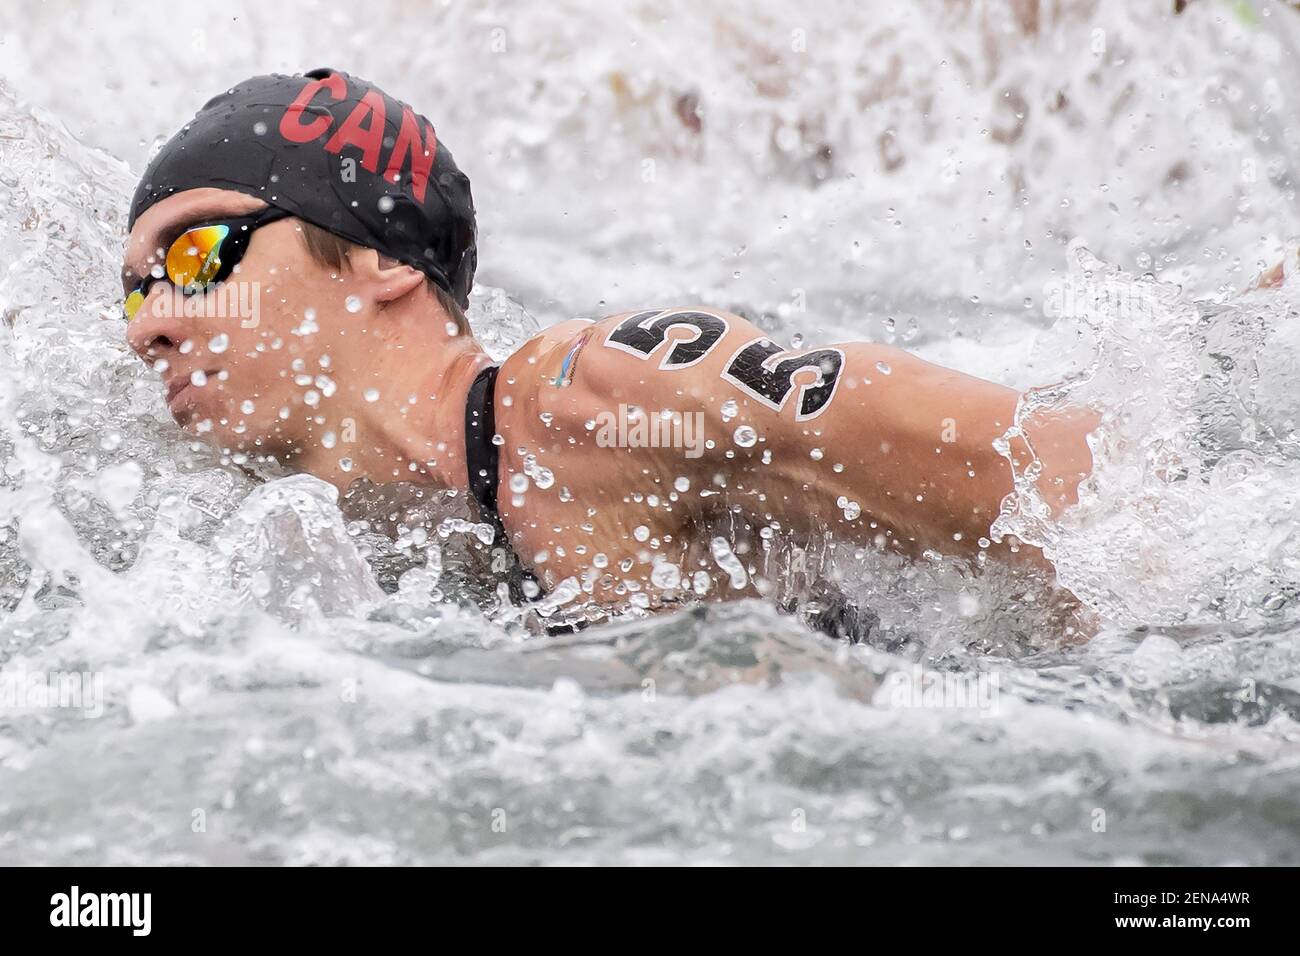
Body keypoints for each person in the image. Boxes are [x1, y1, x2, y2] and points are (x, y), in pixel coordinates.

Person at [122, 68, 1098, 626]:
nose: (145, 323)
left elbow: (1075, 484)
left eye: (199, 251)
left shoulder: (591, 397)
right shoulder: (355, 543)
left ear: (381, 260)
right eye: (132, 287)